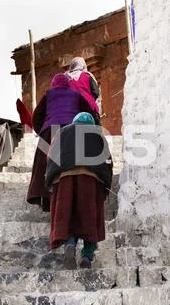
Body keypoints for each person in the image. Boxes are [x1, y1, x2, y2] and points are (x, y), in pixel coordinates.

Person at [45, 112, 113, 269]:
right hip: (91, 179)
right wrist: (105, 182)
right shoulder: (97, 133)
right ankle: (87, 255)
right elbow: (107, 159)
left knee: (69, 212)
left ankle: (70, 243)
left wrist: (50, 180)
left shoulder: (62, 132)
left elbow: (50, 157)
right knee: (90, 216)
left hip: (64, 178)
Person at [27, 73, 98, 211]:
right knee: (71, 165)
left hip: (50, 132)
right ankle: (72, 199)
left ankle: (45, 200)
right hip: (71, 131)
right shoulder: (75, 94)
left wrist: (42, 130)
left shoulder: (48, 95)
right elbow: (88, 111)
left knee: (44, 164)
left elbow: (37, 116)